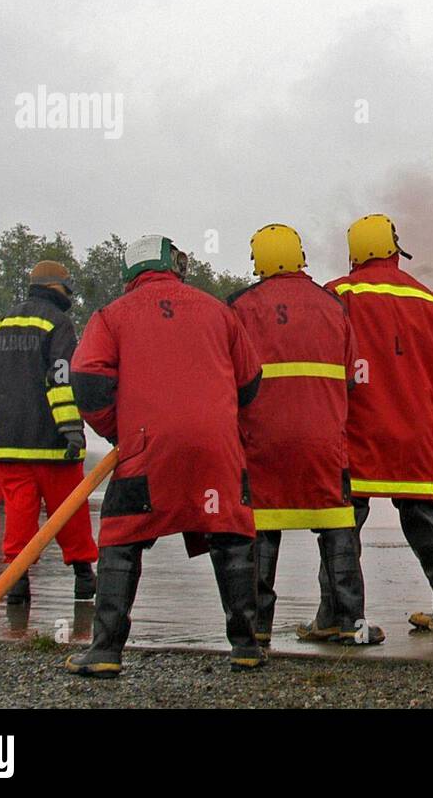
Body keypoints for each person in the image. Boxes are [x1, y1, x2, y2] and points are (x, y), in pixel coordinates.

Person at [66, 234, 265, 677]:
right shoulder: (219, 311)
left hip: (145, 447)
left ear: (129, 271)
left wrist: (119, 433)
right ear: (174, 265)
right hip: (217, 449)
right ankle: (246, 646)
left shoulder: (111, 316)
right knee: (231, 535)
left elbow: (87, 382)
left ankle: (104, 652)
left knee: (121, 539)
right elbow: (251, 383)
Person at [229, 223, 382, 646]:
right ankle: (352, 624)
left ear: (259, 260)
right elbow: (352, 374)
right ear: (300, 257)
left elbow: (231, 379)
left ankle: (255, 631)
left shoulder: (240, 306)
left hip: (261, 444)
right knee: (337, 529)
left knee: (261, 532)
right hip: (324, 444)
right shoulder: (333, 305)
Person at [326, 214, 433, 635]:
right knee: (425, 519)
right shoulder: (429, 302)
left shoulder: (337, 295)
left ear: (354, 253)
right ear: (392, 250)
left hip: (357, 433)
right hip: (415, 434)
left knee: (343, 526)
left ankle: (343, 620)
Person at [0, 260, 98, 605]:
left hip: (9, 444)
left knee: (19, 513)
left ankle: (17, 584)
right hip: (51, 443)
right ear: (59, 288)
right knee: (69, 510)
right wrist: (72, 430)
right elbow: (60, 380)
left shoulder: (1, 325)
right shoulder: (58, 323)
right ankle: (83, 577)